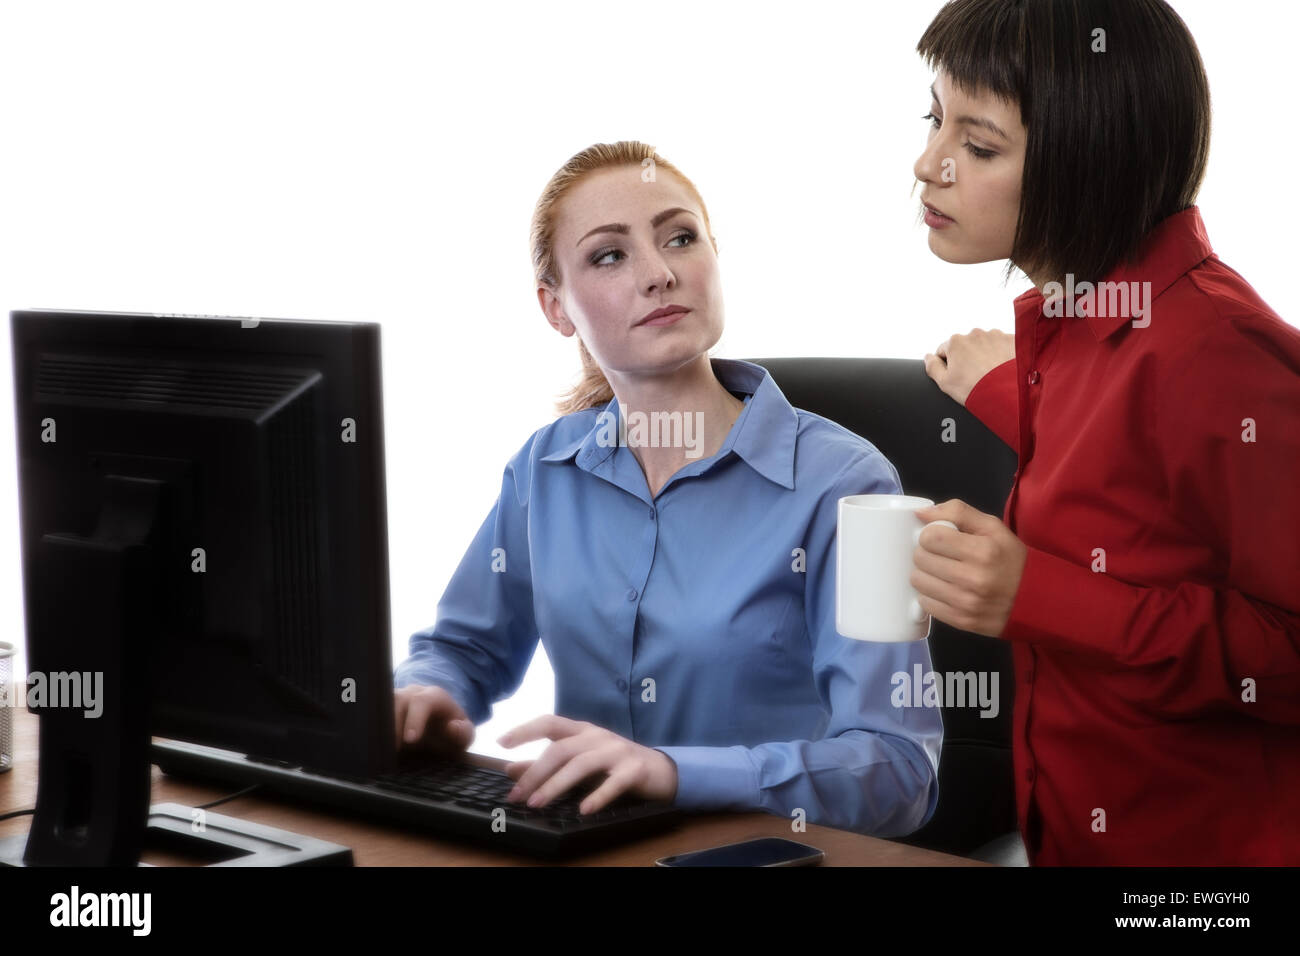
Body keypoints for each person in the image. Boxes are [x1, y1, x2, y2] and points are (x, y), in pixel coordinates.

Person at [393, 141, 942, 836]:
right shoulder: (545, 469)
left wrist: (675, 774)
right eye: (610, 255)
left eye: (680, 238)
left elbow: (899, 770)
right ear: (556, 309)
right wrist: (422, 694)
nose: (658, 274)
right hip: (591, 848)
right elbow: (464, 649)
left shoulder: (849, 484)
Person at [907, 0, 1300, 864]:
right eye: (934, 120)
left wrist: (1037, 596)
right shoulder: (1082, 320)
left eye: (978, 146)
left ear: (1091, 160)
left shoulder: (1219, 354)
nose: (926, 165)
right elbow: (1131, 482)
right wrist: (1010, 391)